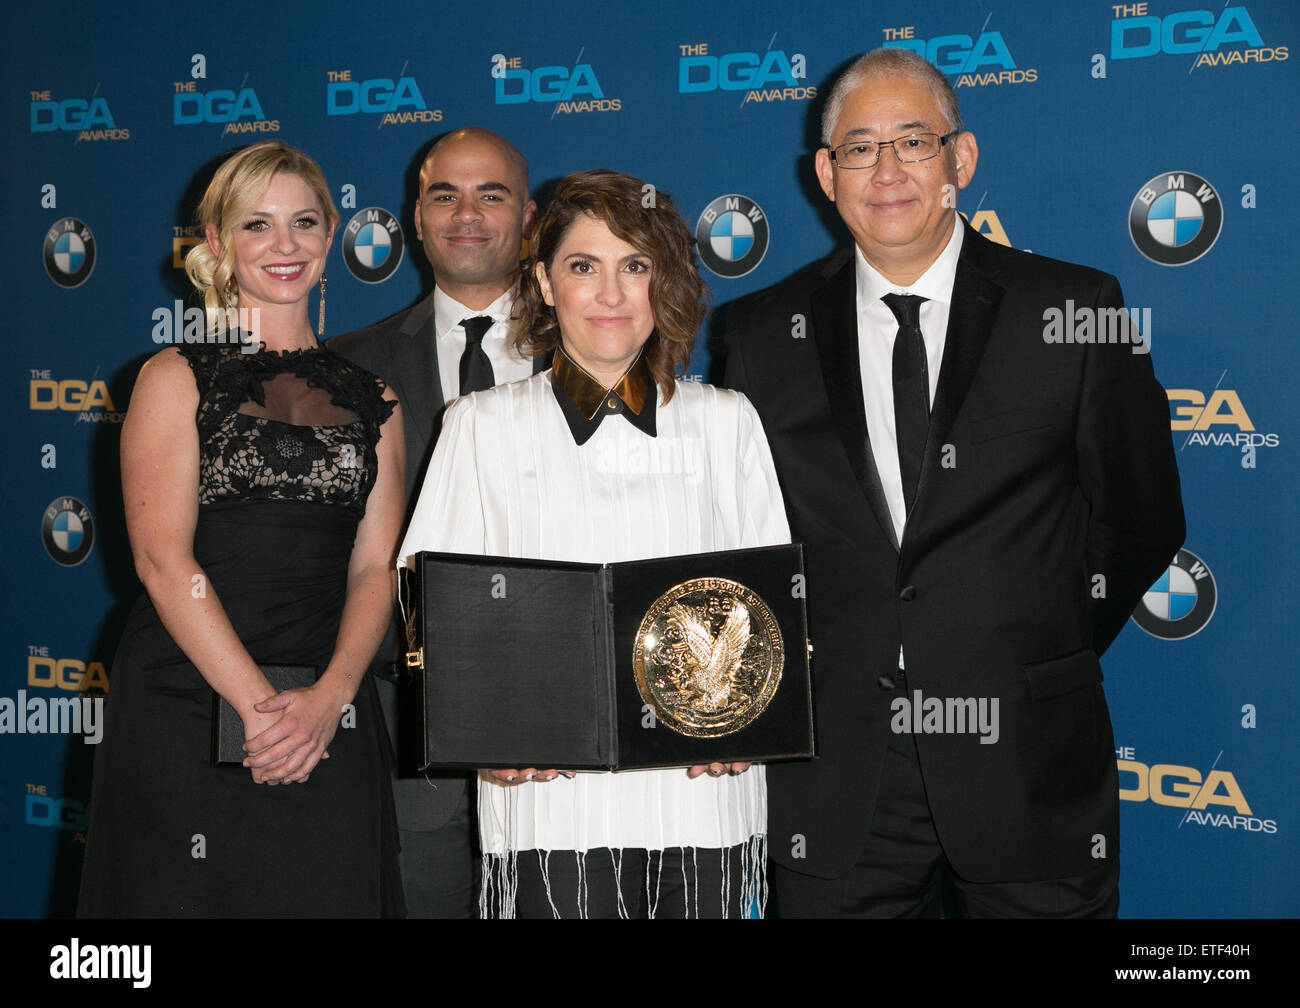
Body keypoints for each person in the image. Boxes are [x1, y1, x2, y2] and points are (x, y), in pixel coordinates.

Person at [723, 48, 1185, 918]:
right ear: (825, 174)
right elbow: (749, 543)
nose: (888, 170)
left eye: (913, 141)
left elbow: (1141, 517)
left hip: (1029, 757)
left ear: (960, 160)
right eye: (859, 149)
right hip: (839, 774)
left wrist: (1034, 644)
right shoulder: (758, 335)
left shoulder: (1079, 309)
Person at [398, 169, 790, 918]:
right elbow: (427, 597)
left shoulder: (727, 420)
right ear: (544, 282)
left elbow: (768, 598)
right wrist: (486, 731)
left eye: (635, 266)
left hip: (705, 799)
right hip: (549, 806)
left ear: (663, 280)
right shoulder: (480, 425)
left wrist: (752, 713)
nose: (611, 294)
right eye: (584, 267)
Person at [78, 141, 405, 917]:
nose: (283, 245)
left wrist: (330, 698)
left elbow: (376, 569)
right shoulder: (174, 377)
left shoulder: (375, 398)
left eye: (302, 223)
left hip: (329, 713)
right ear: (219, 244)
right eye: (257, 225)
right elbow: (164, 562)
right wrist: (264, 710)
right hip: (188, 706)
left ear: (331, 235)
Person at [330, 127, 544, 917]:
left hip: (555, 725)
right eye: (444, 194)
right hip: (400, 736)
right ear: (415, 218)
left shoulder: (599, 356)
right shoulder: (348, 369)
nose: (467, 213)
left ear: (527, 215)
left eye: (491, 193)